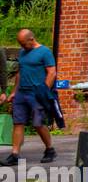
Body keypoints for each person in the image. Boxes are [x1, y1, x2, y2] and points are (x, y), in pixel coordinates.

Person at [2, 29, 57, 166]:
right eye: (20, 44)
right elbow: (20, 73)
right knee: (18, 122)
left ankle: (50, 149)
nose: (22, 46)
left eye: (23, 43)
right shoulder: (22, 53)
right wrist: (14, 91)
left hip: (36, 93)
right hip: (22, 93)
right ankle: (15, 154)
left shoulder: (44, 52)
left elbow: (51, 73)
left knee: (38, 124)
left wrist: (44, 91)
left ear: (31, 39)